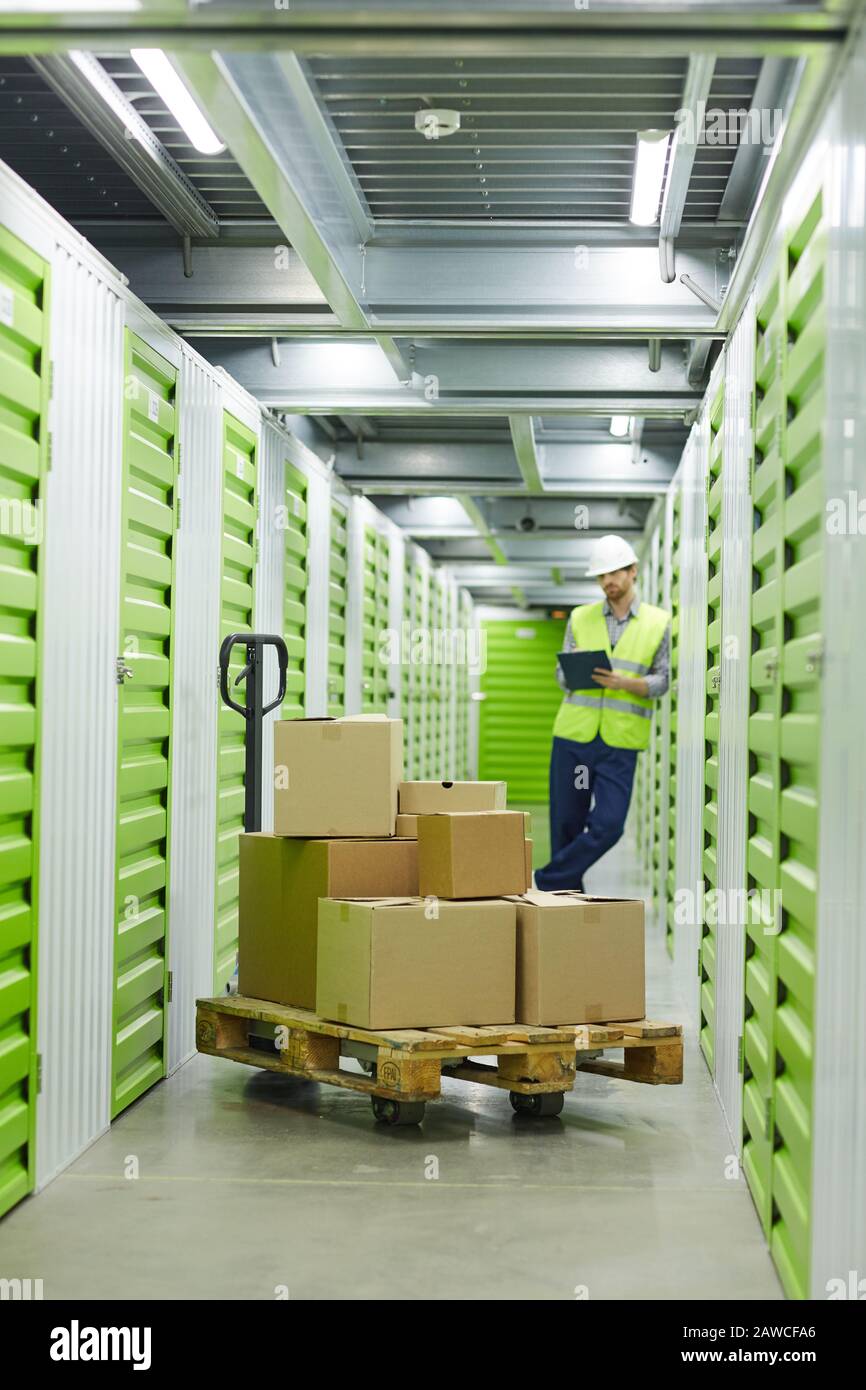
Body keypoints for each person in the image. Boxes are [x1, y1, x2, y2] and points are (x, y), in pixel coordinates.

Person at [535, 534, 671, 892]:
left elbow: (663, 680)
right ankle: (563, 900)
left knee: (609, 823)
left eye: (614, 573)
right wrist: (574, 668)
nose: (607, 582)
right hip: (574, 738)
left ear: (632, 571)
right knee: (566, 820)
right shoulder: (580, 617)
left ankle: (546, 881)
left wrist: (625, 683)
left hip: (620, 741)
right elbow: (562, 678)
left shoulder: (659, 622)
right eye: (601, 576)